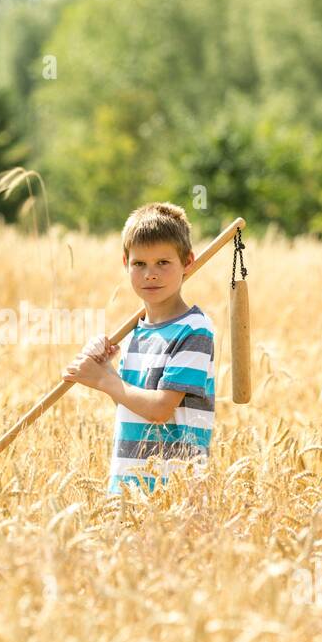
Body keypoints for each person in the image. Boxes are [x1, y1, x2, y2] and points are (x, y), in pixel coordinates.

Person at [63, 202, 216, 493]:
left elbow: (159, 409)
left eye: (163, 262)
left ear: (188, 262)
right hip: (127, 483)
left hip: (174, 490)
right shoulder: (136, 331)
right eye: (139, 264)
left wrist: (103, 380)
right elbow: (131, 405)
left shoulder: (195, 329)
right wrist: (104, 369)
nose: (151, 274)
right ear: (125, 263)